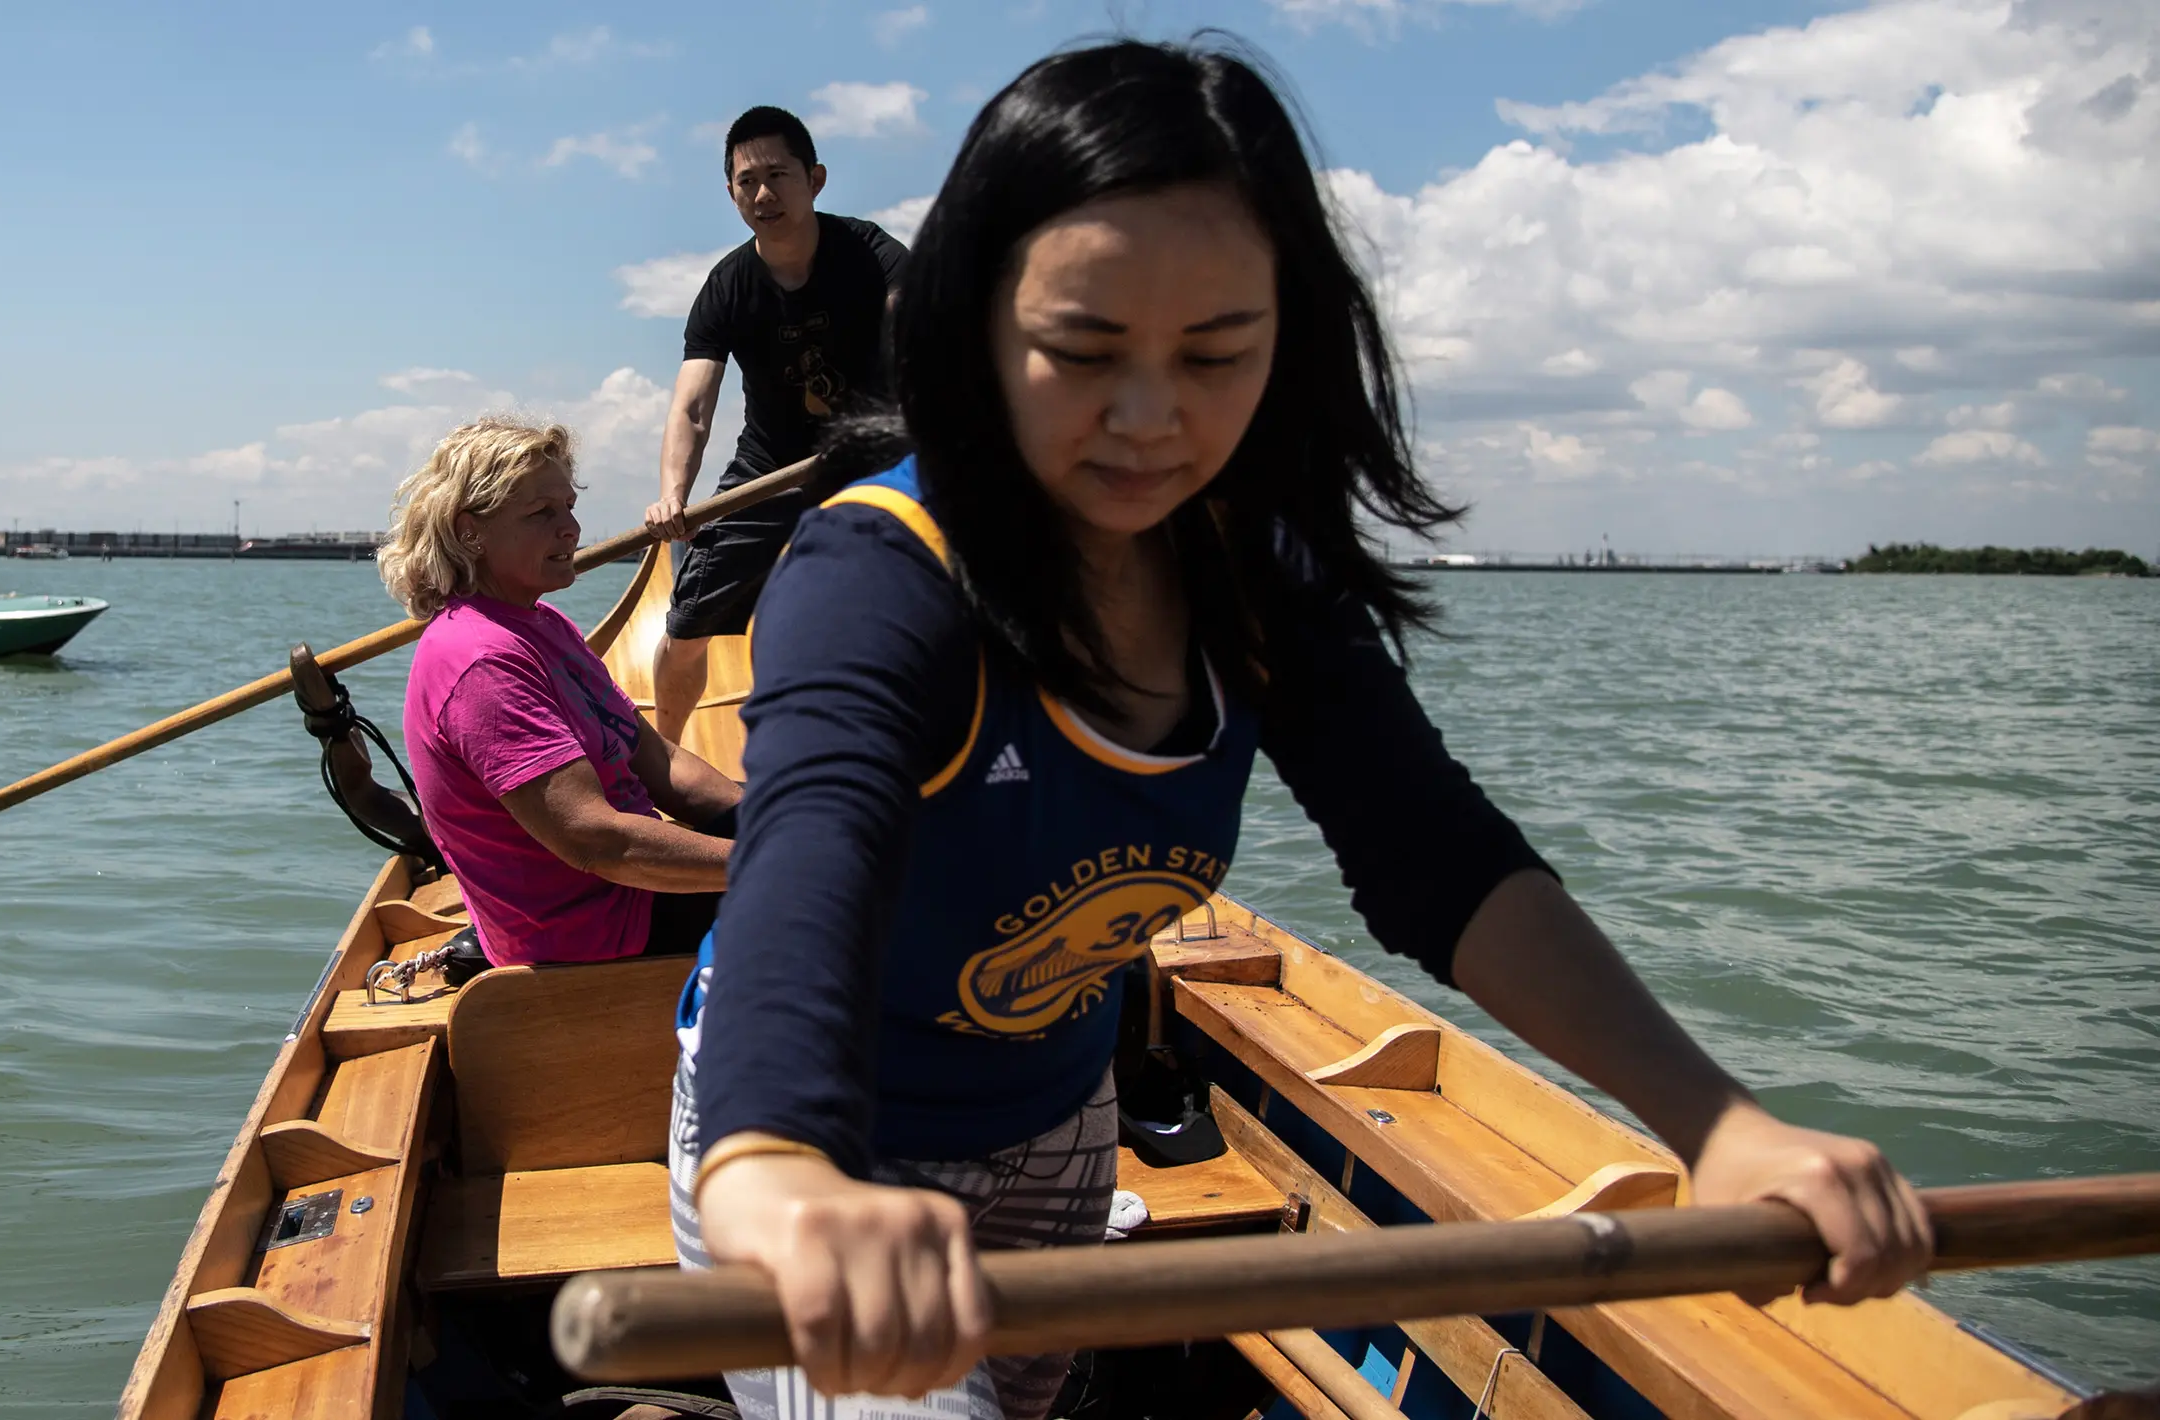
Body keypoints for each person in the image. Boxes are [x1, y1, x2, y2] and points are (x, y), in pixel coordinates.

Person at [670, 40, 1936, 1418]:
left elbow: (1435, 858)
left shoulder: (1251, 570)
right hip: (821, 1152)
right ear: (972, 330)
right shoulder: (878, 576)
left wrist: (1720, 1122)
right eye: (1081, 352)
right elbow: (801, 871)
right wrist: (777, 1178)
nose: (1152, 419)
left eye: (1215, 354)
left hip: (1054, 1127)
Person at [380, 415, 742, 968]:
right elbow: (593, 840)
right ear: (470, 530)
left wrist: (766, 817)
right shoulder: (481, 662)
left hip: (630, 894)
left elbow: (656, 758)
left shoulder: (542, 622)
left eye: (569, 507)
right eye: (541, 513)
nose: (570, 528)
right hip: (592, 932)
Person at [641, 104, 908, 743]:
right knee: (685, 629)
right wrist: (674, 495)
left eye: (778, 176)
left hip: (876, 460)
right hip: (770, 470)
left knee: (933, 595)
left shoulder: (874, 256)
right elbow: (693, 406)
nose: (763, 193)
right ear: (731, 193)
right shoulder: (728, 286)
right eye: (746, 181)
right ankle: (664, 774)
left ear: (814, 179)